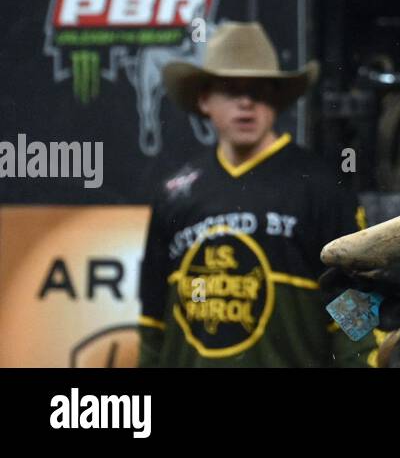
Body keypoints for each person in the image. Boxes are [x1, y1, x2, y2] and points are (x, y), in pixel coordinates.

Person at [138, 22, 376, 367]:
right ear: (204, 99)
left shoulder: (322, 188)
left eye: (260, 90)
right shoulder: (175, 194)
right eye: (230, 89)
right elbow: (152, 324)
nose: (246, 102)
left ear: (277, 99)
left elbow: (354, 308)